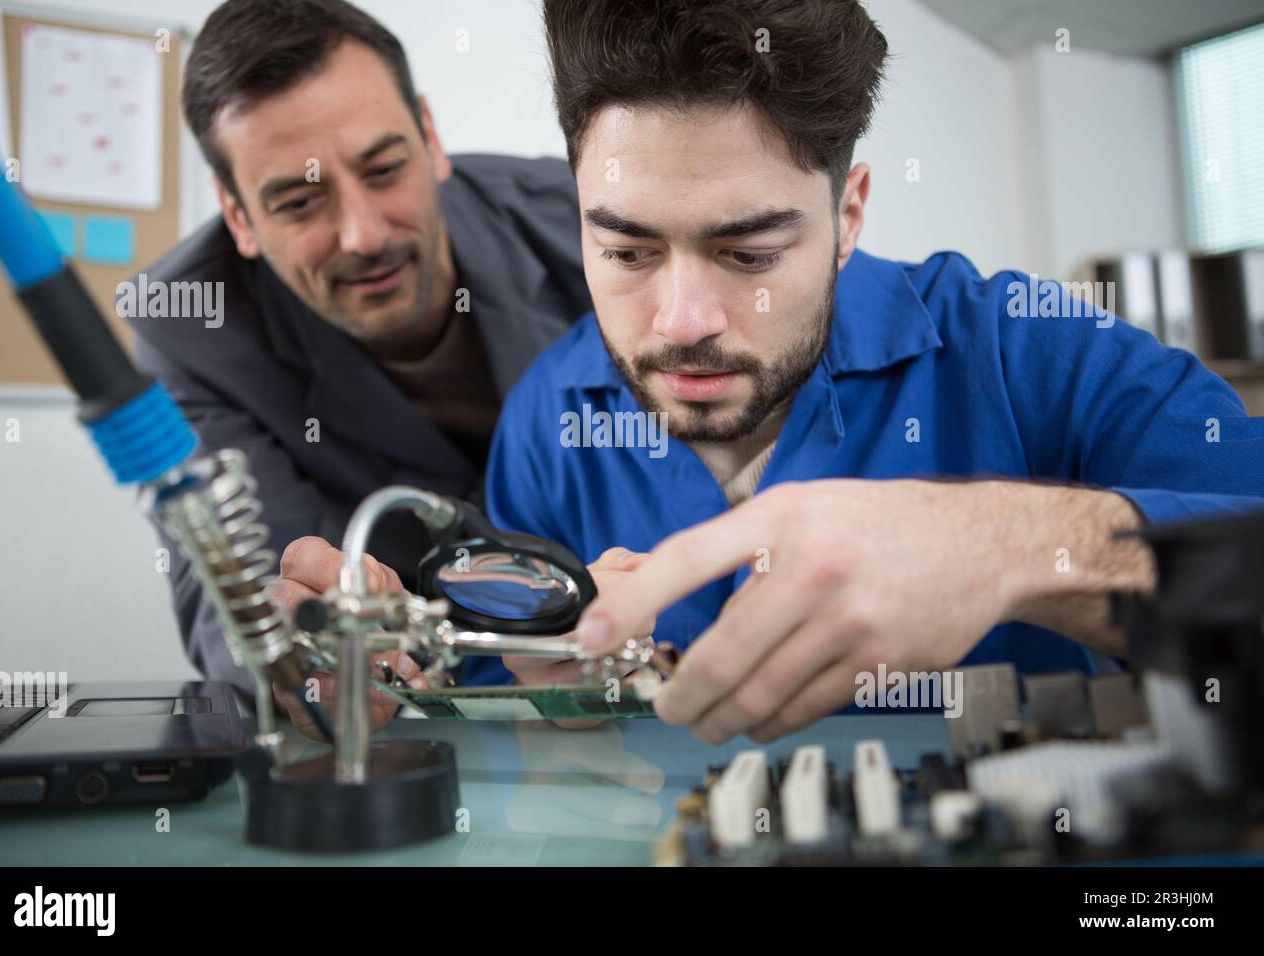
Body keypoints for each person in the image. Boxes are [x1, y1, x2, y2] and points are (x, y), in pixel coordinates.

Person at [478, 0, 1264, 742]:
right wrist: (551, 705)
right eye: (626, 252)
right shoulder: (546, 420)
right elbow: (485, 691)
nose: (683, 321)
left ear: (848, 214)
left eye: (749, 254)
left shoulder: (1024, 349)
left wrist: (1003, 548)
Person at [128, 0, 591, 724]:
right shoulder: (191, 324)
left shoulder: (582, 213)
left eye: (383, 169)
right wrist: (290, 649)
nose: (363, 235)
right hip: (432, 714)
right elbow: (237, 592)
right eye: (298, 202)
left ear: (431, 136)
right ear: (239, 215)